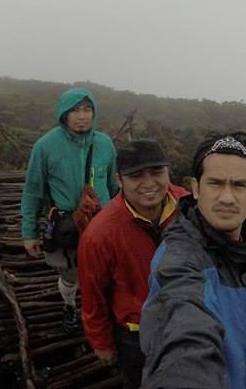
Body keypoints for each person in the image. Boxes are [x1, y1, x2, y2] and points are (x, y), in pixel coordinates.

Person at [140, 132, 246, 389]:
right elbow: (185, 333)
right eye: (215, 183)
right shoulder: (179, 262)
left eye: (239, 185)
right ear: (196, 188)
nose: (227, 197)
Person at [78, 139, 188, 388]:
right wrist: (101, 343)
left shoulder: (189, 208)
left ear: (168, 172)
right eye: (136, 176)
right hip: (136, 333)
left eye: (157, 172)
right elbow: (92, 293)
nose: (148, 183)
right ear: (119, 180)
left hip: (188, 320)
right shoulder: (100, 234)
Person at [21, 87, 118, 333]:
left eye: (87, 109)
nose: (82, 116)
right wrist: (29, 232)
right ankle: (69, 305)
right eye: (75, 110)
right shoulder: (46, 146)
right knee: (70, 275)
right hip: (68, 225)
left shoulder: (105, 143)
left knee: (104, 272)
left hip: (103, 222)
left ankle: (100, 314)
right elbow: (33, 190)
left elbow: (113, 186)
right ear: (64, 114)